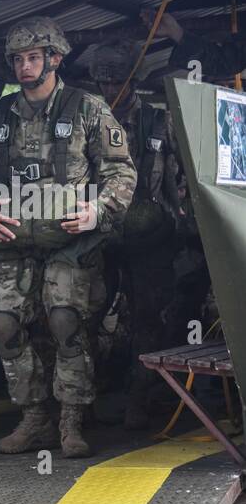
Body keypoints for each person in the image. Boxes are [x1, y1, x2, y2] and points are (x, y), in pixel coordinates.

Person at [0, 16, 136, 457]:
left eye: (33, 57)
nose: (24, 66)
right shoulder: (1, 112)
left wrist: (98, 209)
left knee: (65, 321)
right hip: (12, 239)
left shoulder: (87, 107)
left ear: (55, 59)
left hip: (70, 240)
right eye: (18, 59)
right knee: (4, 325)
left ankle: (72, 420)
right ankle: (33, 417)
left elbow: (121, 171)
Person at [86, 39, 187, 429]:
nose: (112, 90)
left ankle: (140, 400)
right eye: (105, 82)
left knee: (149, 319)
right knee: (83, 316)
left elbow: (184, 179)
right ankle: (84, 400)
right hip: (98, 232)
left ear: (134, 80)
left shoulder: (159, 122)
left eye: (118, 81)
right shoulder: (87, 121)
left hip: (151, 236)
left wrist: (180, 217)